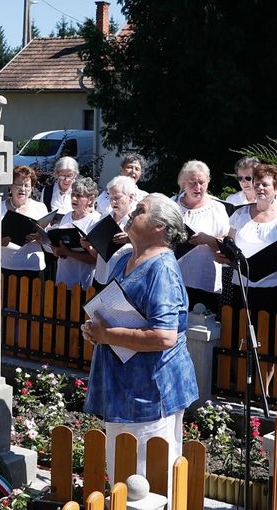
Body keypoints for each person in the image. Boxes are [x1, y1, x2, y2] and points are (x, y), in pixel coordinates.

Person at [82, 194, 199, 480]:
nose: (133, 212)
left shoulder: (162, 269)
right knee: (122, 471)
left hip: (150, 391)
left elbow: (164, 337)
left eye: (141, 210)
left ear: (159, 227)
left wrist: (108, 334)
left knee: (146, 478)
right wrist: (95, 329)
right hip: (123, 388)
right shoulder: (126, 258)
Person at [225, 162, 277, 320]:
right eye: (256, 184)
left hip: (275, 290)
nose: (259, 188)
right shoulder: (240, 214)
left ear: (276, 188)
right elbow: (229, 244)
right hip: (242, 289)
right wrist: (223, 253)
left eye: (265, 184)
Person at [172, 160, 231, 311]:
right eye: (192, 183)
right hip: (173, 279)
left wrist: (208, 240)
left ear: (208, 182)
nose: (198, 187)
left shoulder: (217, 208)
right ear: (183, 183)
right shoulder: (171, 204)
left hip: (204, 280)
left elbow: (227, 244)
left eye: (202, 182)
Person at [86, 175, 140, 290]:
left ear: (130, 197)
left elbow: (148, 248)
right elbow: (97, 255)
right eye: (110, 198)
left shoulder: (138, 222)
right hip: (101, 278)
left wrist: (130, 239)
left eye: (117, 198)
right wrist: (89, 246)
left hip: (124, 282)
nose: (113, 202)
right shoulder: (104, 219)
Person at [52, 177, 103, 288]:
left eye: (79, 196)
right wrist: (56, 250)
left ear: (91, 199)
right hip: (62, 280)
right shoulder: (66, 216)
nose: (74, 198)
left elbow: (96, 259)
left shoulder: (96, 220)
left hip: (83, 283)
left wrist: (69, 253)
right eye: (72, 194)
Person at [1, 165, 50, 280]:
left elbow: (49, 243)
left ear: (32, 188)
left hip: (34, 268)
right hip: (6, 267)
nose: (22, 189)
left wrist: (40, 238)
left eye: (27, 185)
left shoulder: (40, 208)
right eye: (18, 184)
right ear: (10, 185)